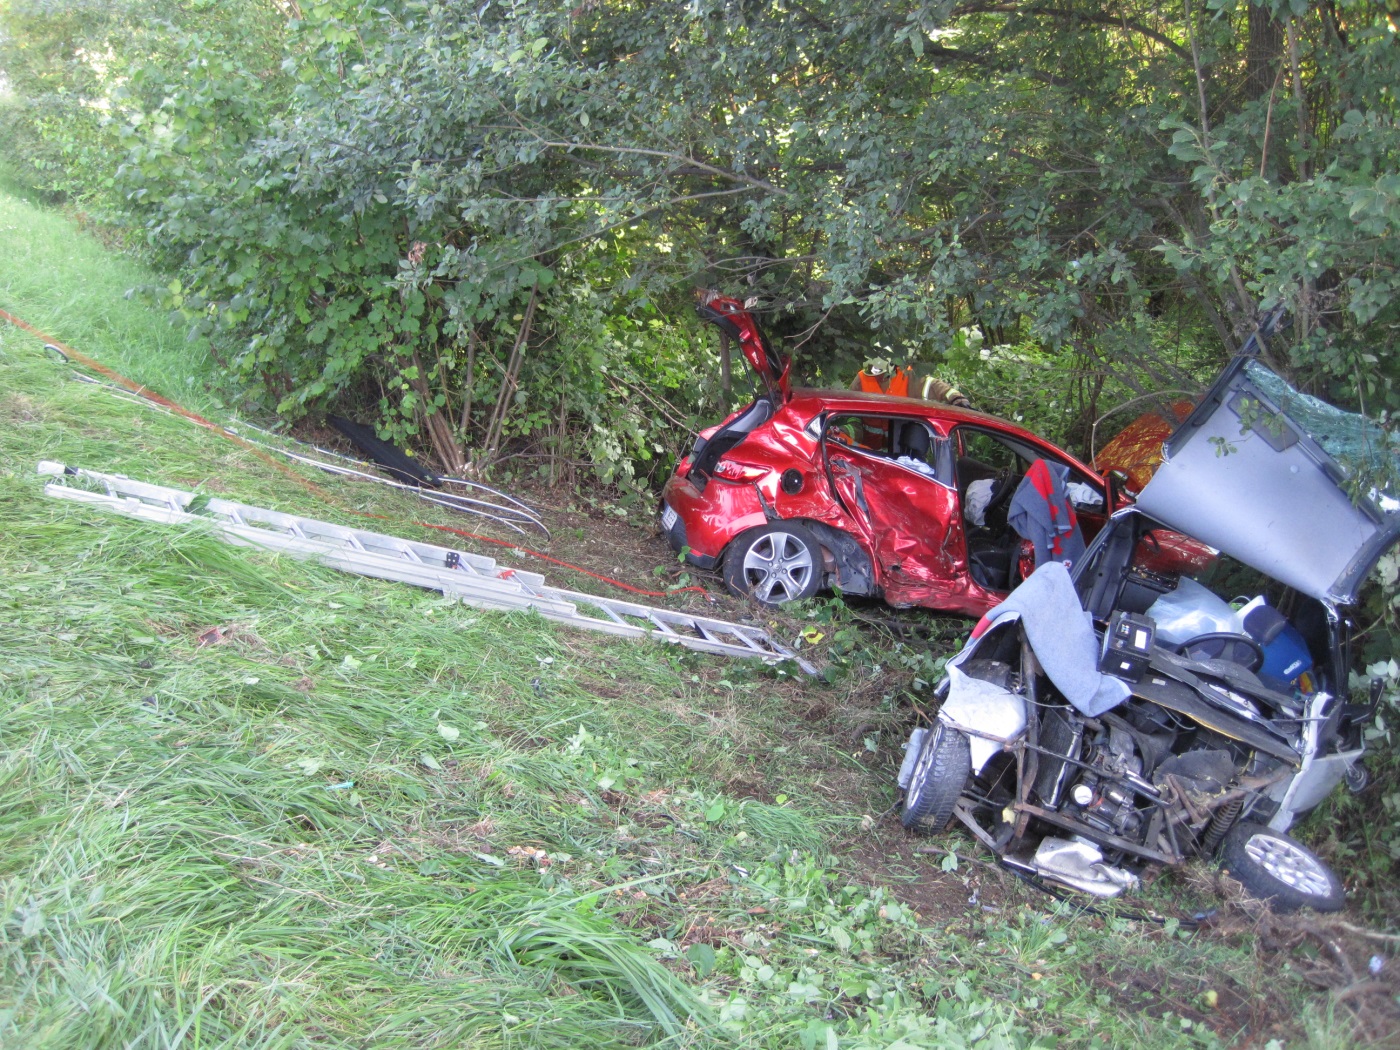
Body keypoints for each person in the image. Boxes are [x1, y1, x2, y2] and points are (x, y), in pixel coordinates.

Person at [850, 358, 972, 409]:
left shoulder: (907, 375)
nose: (877, 376)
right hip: (867, 446)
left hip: (901, 444)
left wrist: (956, 398)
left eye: (880, 373)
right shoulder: (862, 378)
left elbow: (932, 385)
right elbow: (848, 403)